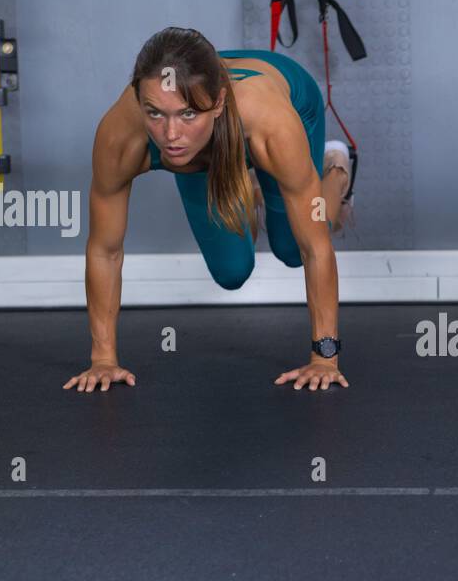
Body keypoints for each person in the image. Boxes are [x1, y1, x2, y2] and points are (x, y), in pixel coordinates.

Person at [65, 26, 352, 394]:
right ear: (139, 100)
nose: (170, 135)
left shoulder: (272, 128)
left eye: (187, 114)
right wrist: (102, 359)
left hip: (289, 100)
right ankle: (238, 179)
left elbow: (316, 248)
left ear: (216, 103)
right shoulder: (122, 137)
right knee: (231, 272)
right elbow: (105, 250)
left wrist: (324, 358)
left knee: (294, 246)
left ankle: (336, 168)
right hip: (203, 150)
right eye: (155, 113)